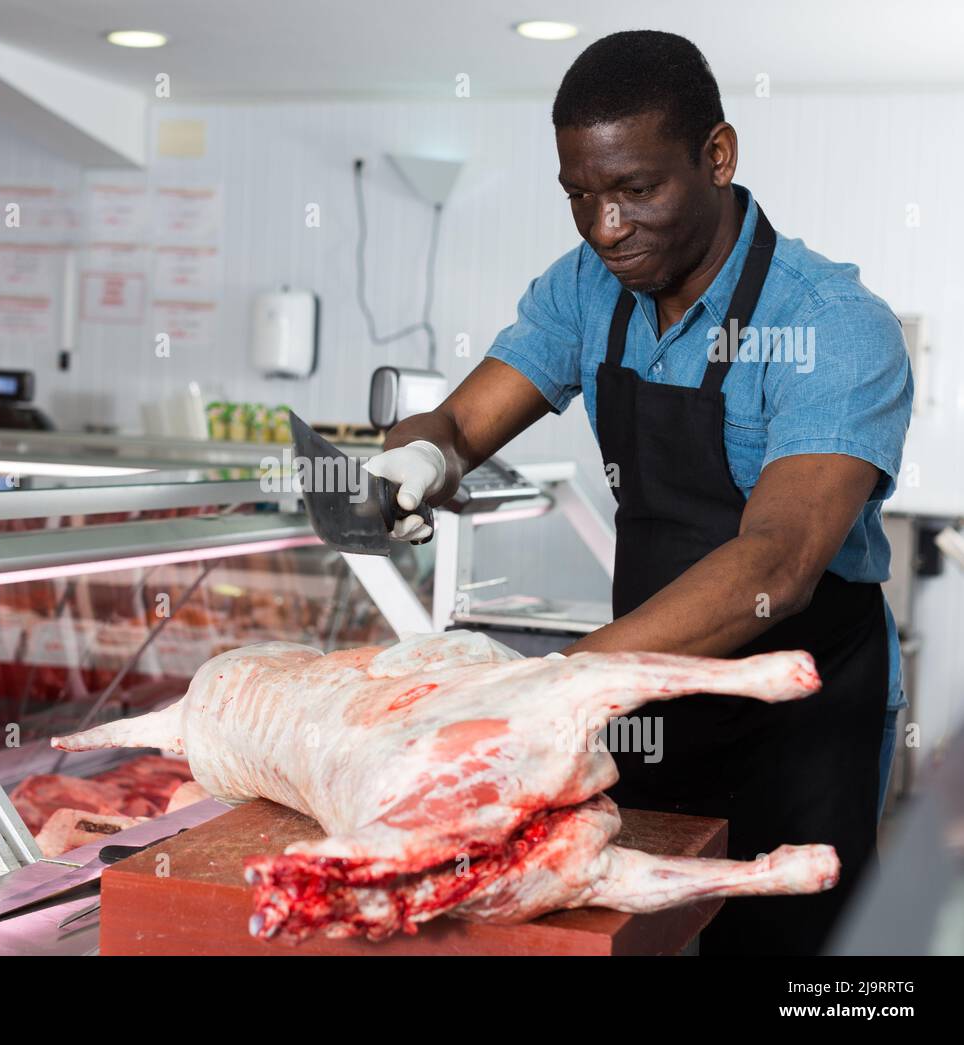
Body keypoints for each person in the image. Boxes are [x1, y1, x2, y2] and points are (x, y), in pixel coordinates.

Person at [365, 30, 913, 955]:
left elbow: (775, 562)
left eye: (635, 191)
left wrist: (553, 683)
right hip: (646, 706)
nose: (604, 228)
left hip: (801, 713)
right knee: (627, 935)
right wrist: (419, 459)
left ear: (718, 155)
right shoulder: (586, 290)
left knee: (793, 958)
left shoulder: (832, 324)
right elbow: (459, 425)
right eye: (580, 195)